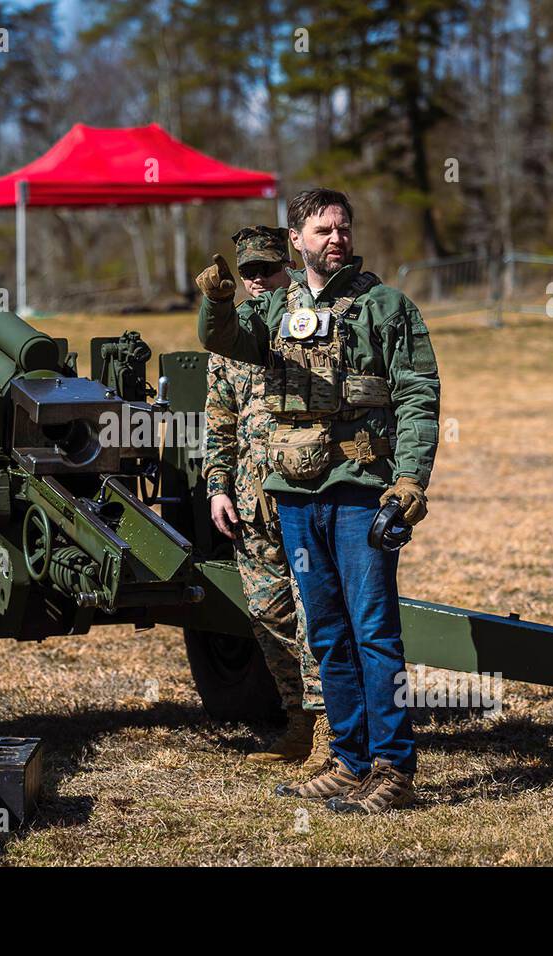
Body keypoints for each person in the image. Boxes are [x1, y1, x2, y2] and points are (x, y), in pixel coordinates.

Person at [195, 187, 441, 814]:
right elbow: (223, 342)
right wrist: (217, 300)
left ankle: (392, 768)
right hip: (295, 498)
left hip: (360, 494)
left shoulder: (386, 307)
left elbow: (418, 394)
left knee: (374, 632)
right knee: (328, 633)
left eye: (344, 228)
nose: (337, 238)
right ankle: (348, 760)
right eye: (323, 230)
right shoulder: (275, 308)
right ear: (298, 240)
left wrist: (409, 479)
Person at [202, 225, 329, 771]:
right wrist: (217, 487)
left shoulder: (314, 320)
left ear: (289, 268)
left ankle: (331, 731)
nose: (257, 281)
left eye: (268, 270)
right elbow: (218, 421)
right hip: (252, 506)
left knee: (318, 614)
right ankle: (297, 723)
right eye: (248, 272)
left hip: (306, 494)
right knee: (268, 614)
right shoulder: (229, 338)